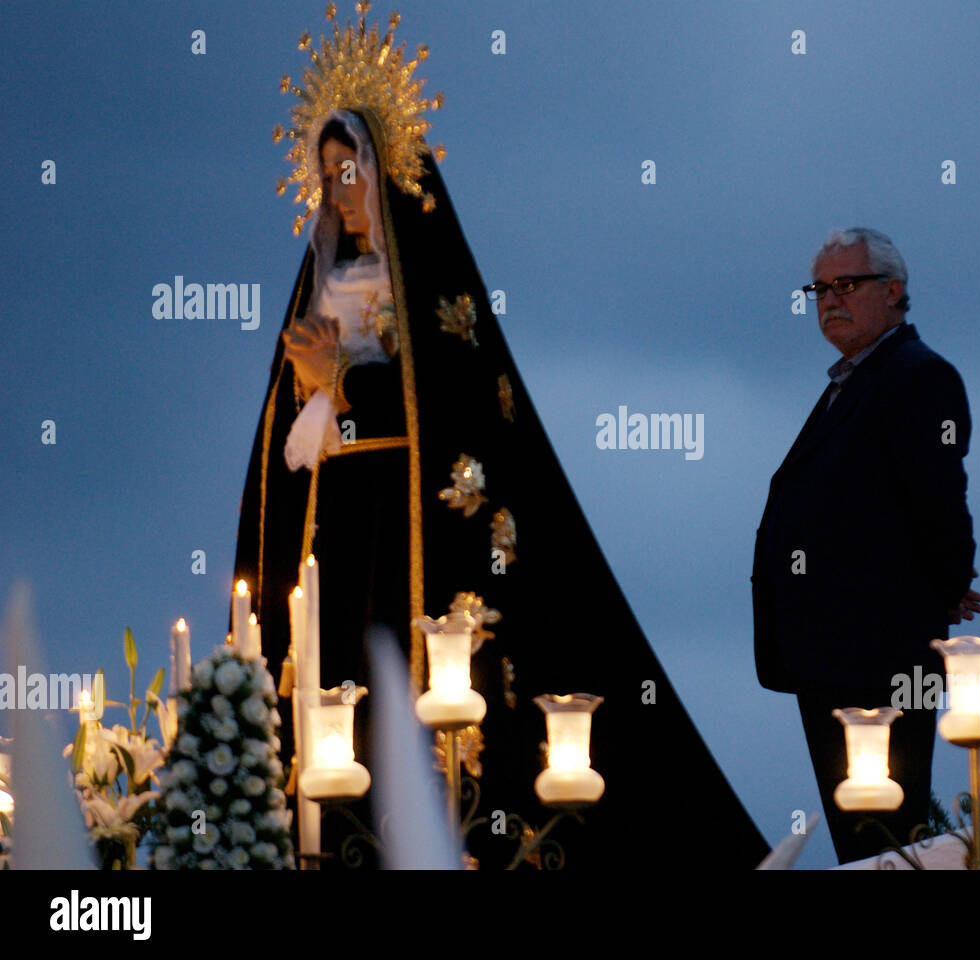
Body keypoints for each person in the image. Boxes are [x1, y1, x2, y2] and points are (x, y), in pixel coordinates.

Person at [232, 8, 768, 870]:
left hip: (413, 542)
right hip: (339, 540)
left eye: (355, 171)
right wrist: (312, 398)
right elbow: (288, 458)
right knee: (340, 705)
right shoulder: (318, 288)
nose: (341, 192)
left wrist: (343, 385)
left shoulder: (433, 290)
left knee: (419, 699)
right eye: (328, 175)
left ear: (393, 174)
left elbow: (455, 411)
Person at [752, 227, 980, 864]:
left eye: (846, 285)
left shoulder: (919, 376)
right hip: (828, 654)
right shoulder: (852, 381)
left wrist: (946, 579)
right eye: (819, 289)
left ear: (894, 291)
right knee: (859, 843)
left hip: (880, 657)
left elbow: (938, 499)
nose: (829, 300)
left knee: (886, 840)